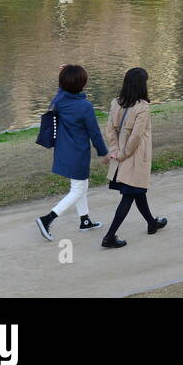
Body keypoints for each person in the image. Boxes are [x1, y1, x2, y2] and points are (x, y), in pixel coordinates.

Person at [35, 65, 110, 241]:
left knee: (80, 186)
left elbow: (63, 89)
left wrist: (64, 73)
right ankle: (47, 219)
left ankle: (85, 221)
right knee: (78, 188)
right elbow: (94, 133)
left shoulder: (59, 99)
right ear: (82, 84)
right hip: (77, 153)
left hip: (63, 150)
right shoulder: (84, 106)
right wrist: (104, 153)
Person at [99, 67, 167, 250]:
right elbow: (136, 137)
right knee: (130, 194)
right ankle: (109, 236)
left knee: (138, 190)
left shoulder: (115, 103)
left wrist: (114, 150)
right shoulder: (143, 107)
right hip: (134, 157)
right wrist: (122, 154)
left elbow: (109, 130)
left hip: (121, 155)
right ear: (141, 85)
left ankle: (152, 223)